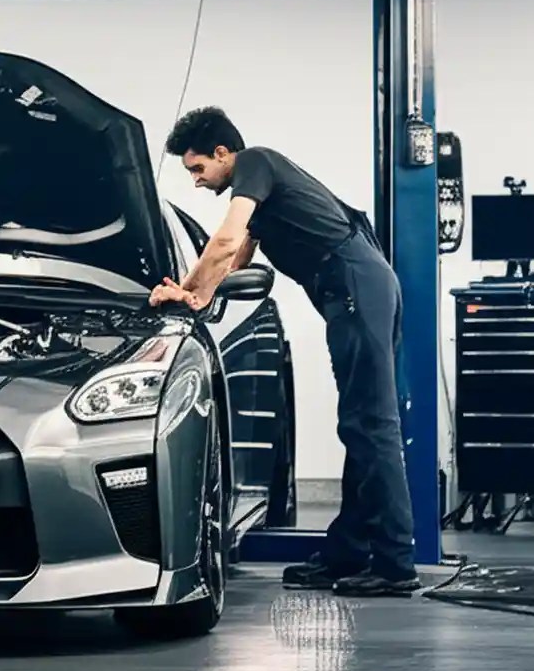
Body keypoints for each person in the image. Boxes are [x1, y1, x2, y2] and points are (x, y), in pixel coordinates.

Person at [150, 107, 420, 597]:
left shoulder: (256, 163)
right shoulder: (266, 190)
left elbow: (225, 238)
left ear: (222, 153)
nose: (195, 181)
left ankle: (397, 563)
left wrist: (190, 295)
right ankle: (347, 554)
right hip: (359, 287)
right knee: (360, 422)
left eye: (197, 169)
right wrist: (190, 290)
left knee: (373, 425)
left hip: (355, 285)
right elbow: (238, 256)